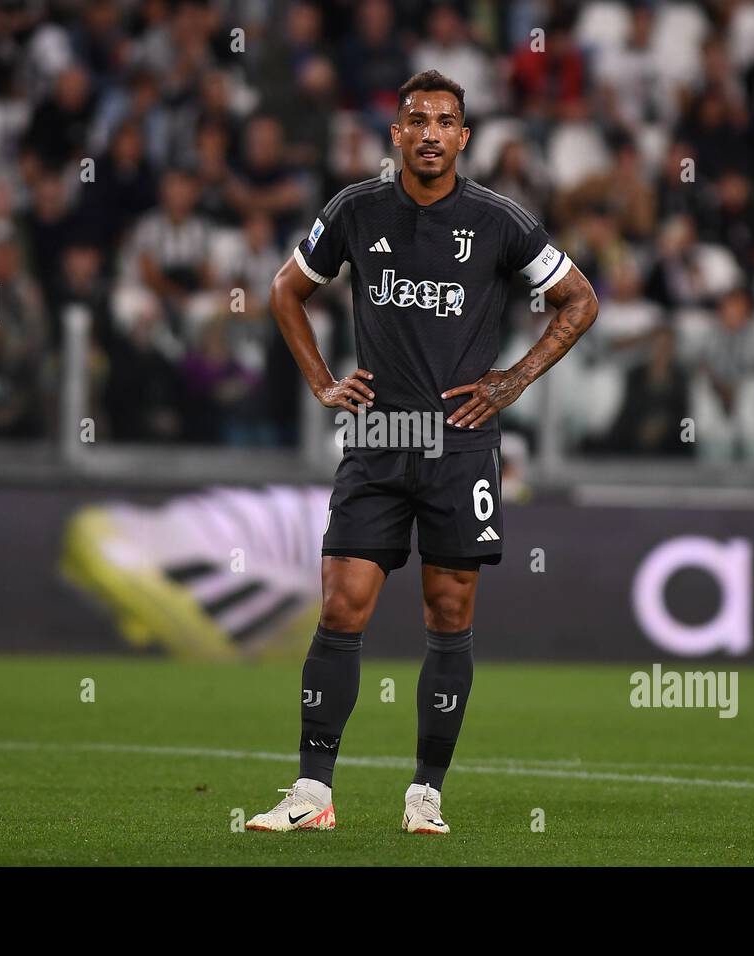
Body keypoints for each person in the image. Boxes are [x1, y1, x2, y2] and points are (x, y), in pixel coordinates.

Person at [246, 71, 598, 835]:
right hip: (377, 437)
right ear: (396, 135)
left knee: (449, 610)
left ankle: (425, 794)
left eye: (445, 121)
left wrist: (512, 380)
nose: (431, 132)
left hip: (461, 444)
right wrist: (322, 382)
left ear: (464, 137)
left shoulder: (500, 221)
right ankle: (312, 792)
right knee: (341, 605)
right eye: (416, 120)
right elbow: (284, 290)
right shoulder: (355, 209)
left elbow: (581, 299)